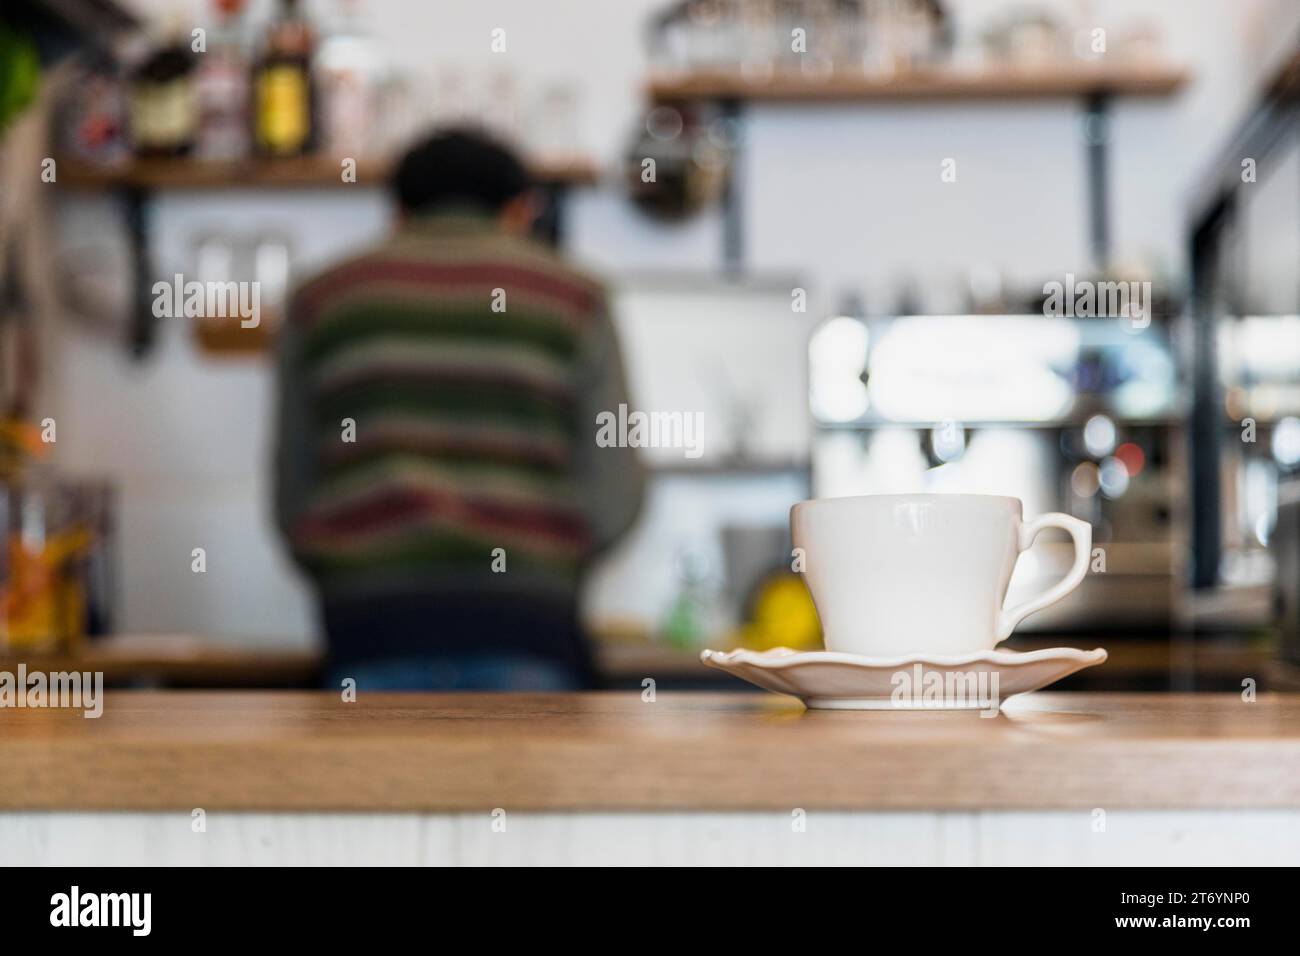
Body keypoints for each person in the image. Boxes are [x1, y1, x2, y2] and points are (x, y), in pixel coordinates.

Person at [272, 129, 644, 690]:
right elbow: (614, 493)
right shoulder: (574, 299)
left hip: (368, 626)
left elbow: (292, 490)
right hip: (530, 623)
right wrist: (554, 566)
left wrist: (346, 566)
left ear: (398, 212)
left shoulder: (321, 300)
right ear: (520, 211)